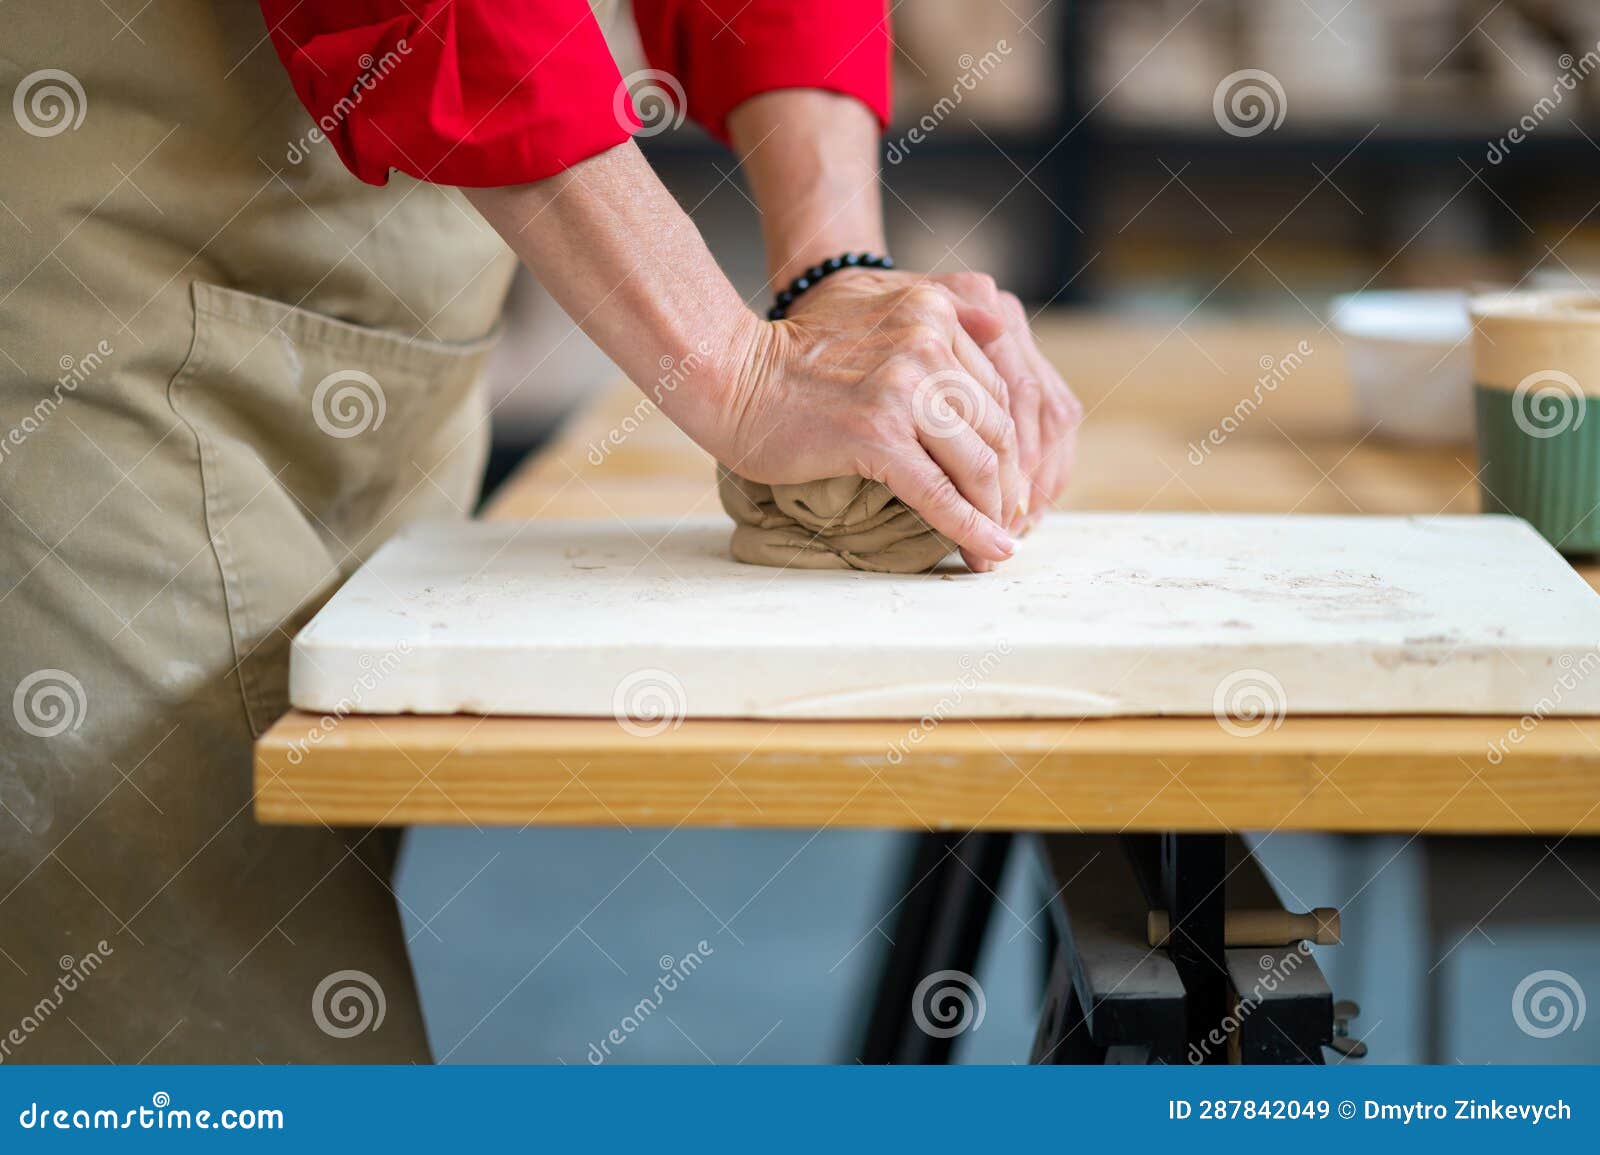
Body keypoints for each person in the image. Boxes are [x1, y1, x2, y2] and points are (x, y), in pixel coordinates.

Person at [0, 0, 1080, 1062]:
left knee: (308, 885)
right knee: (215, 1029)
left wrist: (835, 272)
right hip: (87, 291)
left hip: (382, 312)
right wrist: (733, 367)